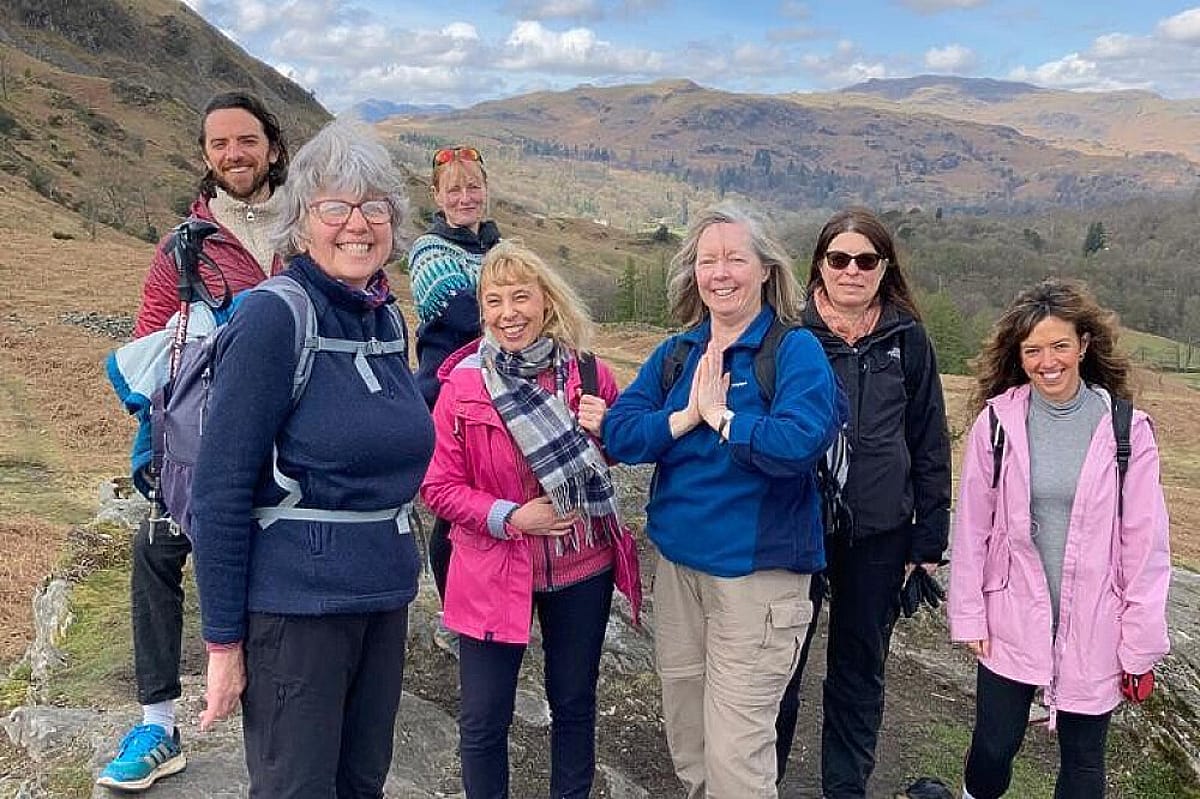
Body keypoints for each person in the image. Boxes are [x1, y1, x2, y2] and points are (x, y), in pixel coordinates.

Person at [189, 119, 434, 797]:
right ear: (300, 224)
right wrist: (222, 644)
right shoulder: (274, 318)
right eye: (335, 207)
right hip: (296, 612)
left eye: (374, 207)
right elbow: (219, 489)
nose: (357, 224)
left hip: (382, 598)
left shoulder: (385, 317)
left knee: (361, 785)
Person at [603, 201, 842, 797]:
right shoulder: (679, 353)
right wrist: (686, 417)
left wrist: (726, 420)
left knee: (737, 757)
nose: (720, 273)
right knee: (690, 743)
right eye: (707, 260)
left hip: (756, 581)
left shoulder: (794, 351)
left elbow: (799, 444)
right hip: (679, 572)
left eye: (735, 258)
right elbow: (621, 433)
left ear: (766, 269)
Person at [98, 90, 289, 793]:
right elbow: (157, 358)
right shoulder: (183, 247)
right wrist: (156, 458)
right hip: (212, 442)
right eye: (219, 144)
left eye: (247, 140)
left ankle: (281, 727)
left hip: (294, 442)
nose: (234, 154)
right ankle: (157, 724)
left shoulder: (309, 229)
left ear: (273, 146)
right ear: (206, 156)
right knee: (155, 548)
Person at [949, 278, 1170, 799]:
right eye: (1033, 350)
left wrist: (1139, 640)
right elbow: (973, 527)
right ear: (1018, 355)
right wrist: (970, 613)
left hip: (1096, 623)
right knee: (993, 747)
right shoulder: (997, 424)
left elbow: (1145, 546)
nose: (1047, 361)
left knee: (1084, 763)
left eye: (1059, 346)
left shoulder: (1127, 430)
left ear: (1084, 345)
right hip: (1009, 615)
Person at [421, 241, 623, 799]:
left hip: (581, 566)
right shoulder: (463, 384)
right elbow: (437, 487)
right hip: (492, 567)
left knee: (574, 703)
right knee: (484, 717)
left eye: (520, 297)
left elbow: (614, 456)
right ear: (482, 311)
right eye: (494, 301)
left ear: (545, 300)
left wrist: (608, 429)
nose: (508, 313)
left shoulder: (588, 373)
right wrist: (511, 516)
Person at [774, 207, 952, 798]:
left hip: (880, 530)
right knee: (781, 663)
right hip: (797, 524)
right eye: (839, 258)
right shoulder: (790, 334)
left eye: (866, 259)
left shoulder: (908, 338)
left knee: (860, 668)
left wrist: (929, 540)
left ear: (884, 268)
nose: (852, 270)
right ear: (819, 266)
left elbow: (928, 439)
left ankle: (845, 788)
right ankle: (760, 782)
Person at [408, 145, 502, 636]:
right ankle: (452, 611)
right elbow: (466, 316)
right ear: (437, 195)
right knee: (454, 508)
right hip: (447, 395)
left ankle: (494, 602)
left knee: (496, 500)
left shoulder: (498, 247)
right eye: (454, 189)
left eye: (473, 187)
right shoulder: (429, 252)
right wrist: (514, 305)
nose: (465, 197)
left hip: (499, 392)